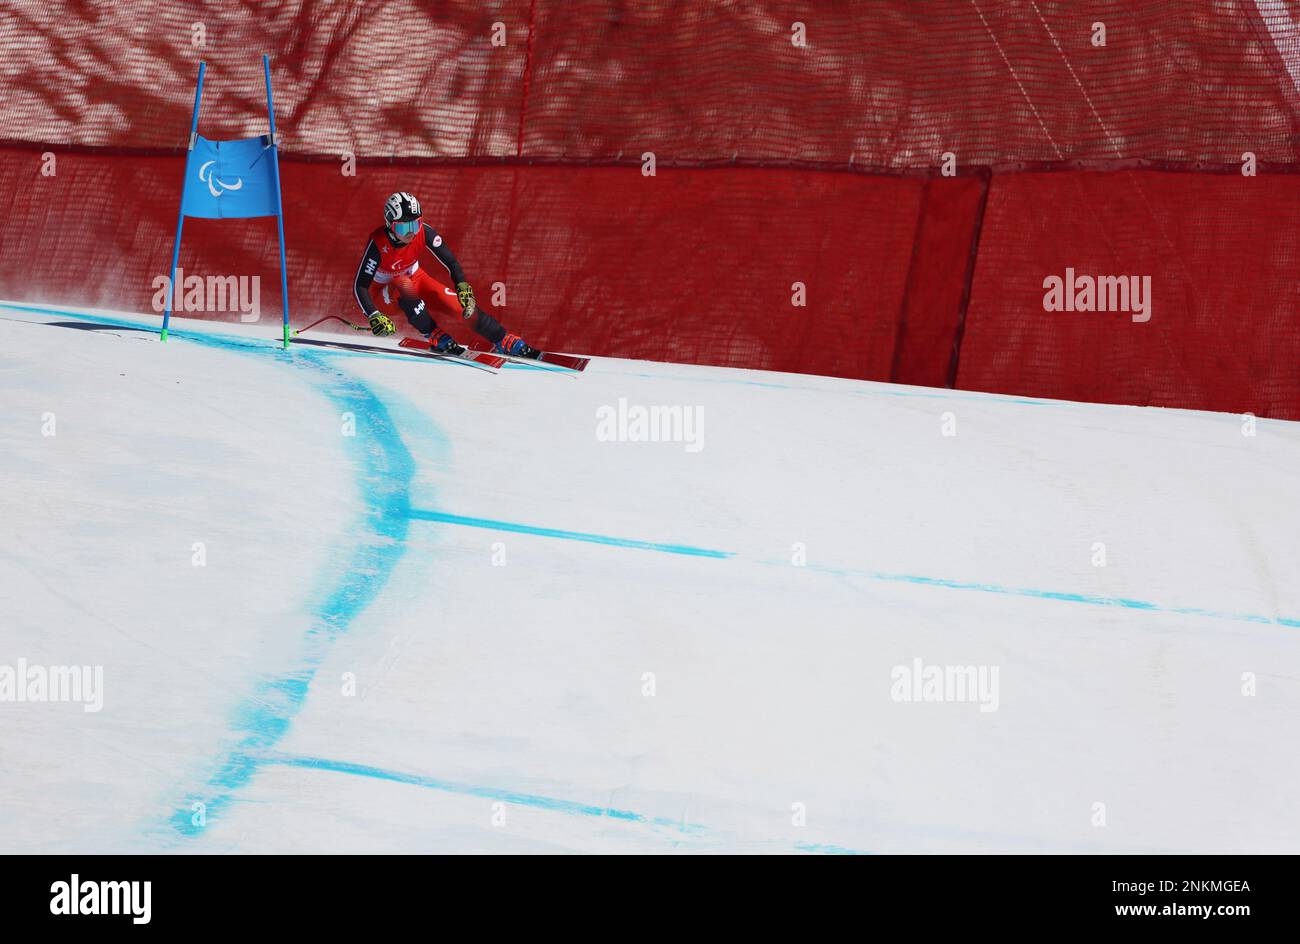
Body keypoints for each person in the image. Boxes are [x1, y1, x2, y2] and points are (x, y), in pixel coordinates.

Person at [352, 191, 537, 358]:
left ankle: (502, 339)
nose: (410, 233)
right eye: (403, 228)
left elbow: (451, 262)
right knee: (402, 282)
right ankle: (432, 333)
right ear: (390, 226)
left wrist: (462, 286)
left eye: (415, 225)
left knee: (460, 307)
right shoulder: (378, 243)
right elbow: (360, 285)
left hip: (416, 278)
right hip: (385, 294)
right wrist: (373, 314)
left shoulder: (423, 232)